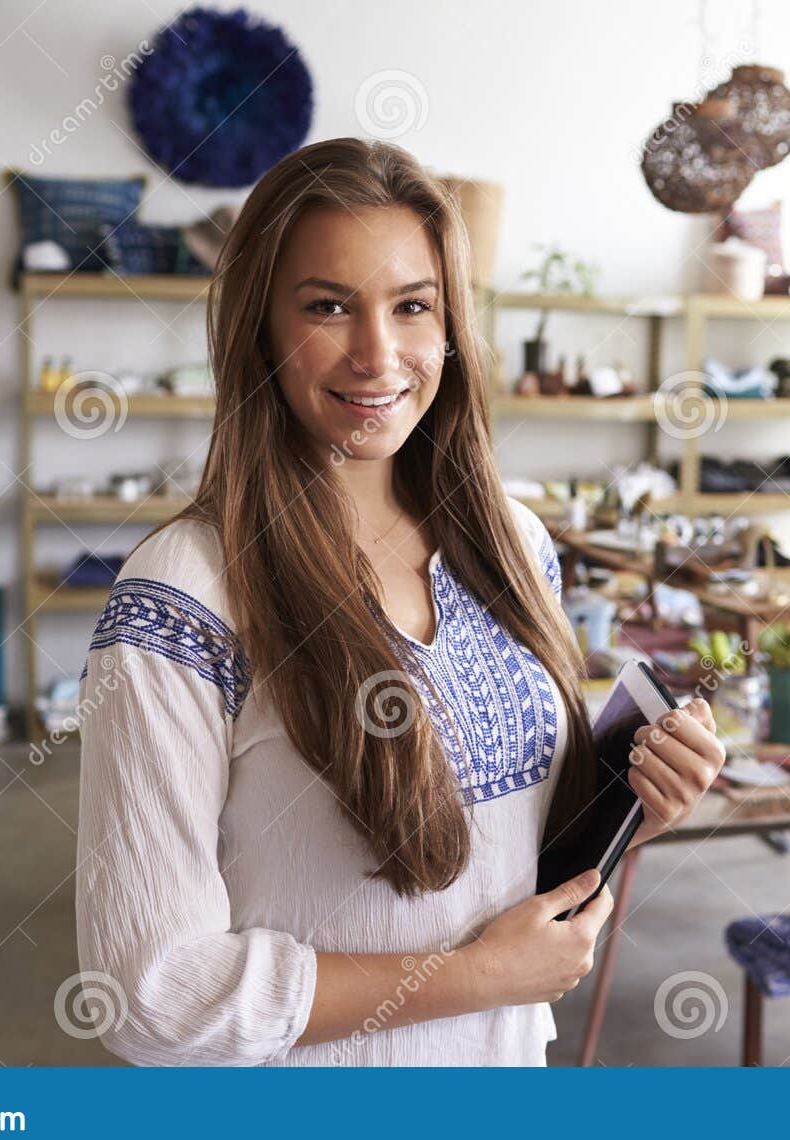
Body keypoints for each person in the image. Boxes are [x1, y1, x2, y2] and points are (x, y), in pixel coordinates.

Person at [74, 137, 725, 1066]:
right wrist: (475, 977)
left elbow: (516, 859)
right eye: (328, 306)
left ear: (451, 324)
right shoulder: (184, 593)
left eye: (412, 306)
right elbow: (150, 995)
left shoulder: (511, 536)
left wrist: (636, 802)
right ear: (258, 327)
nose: (379, 354)